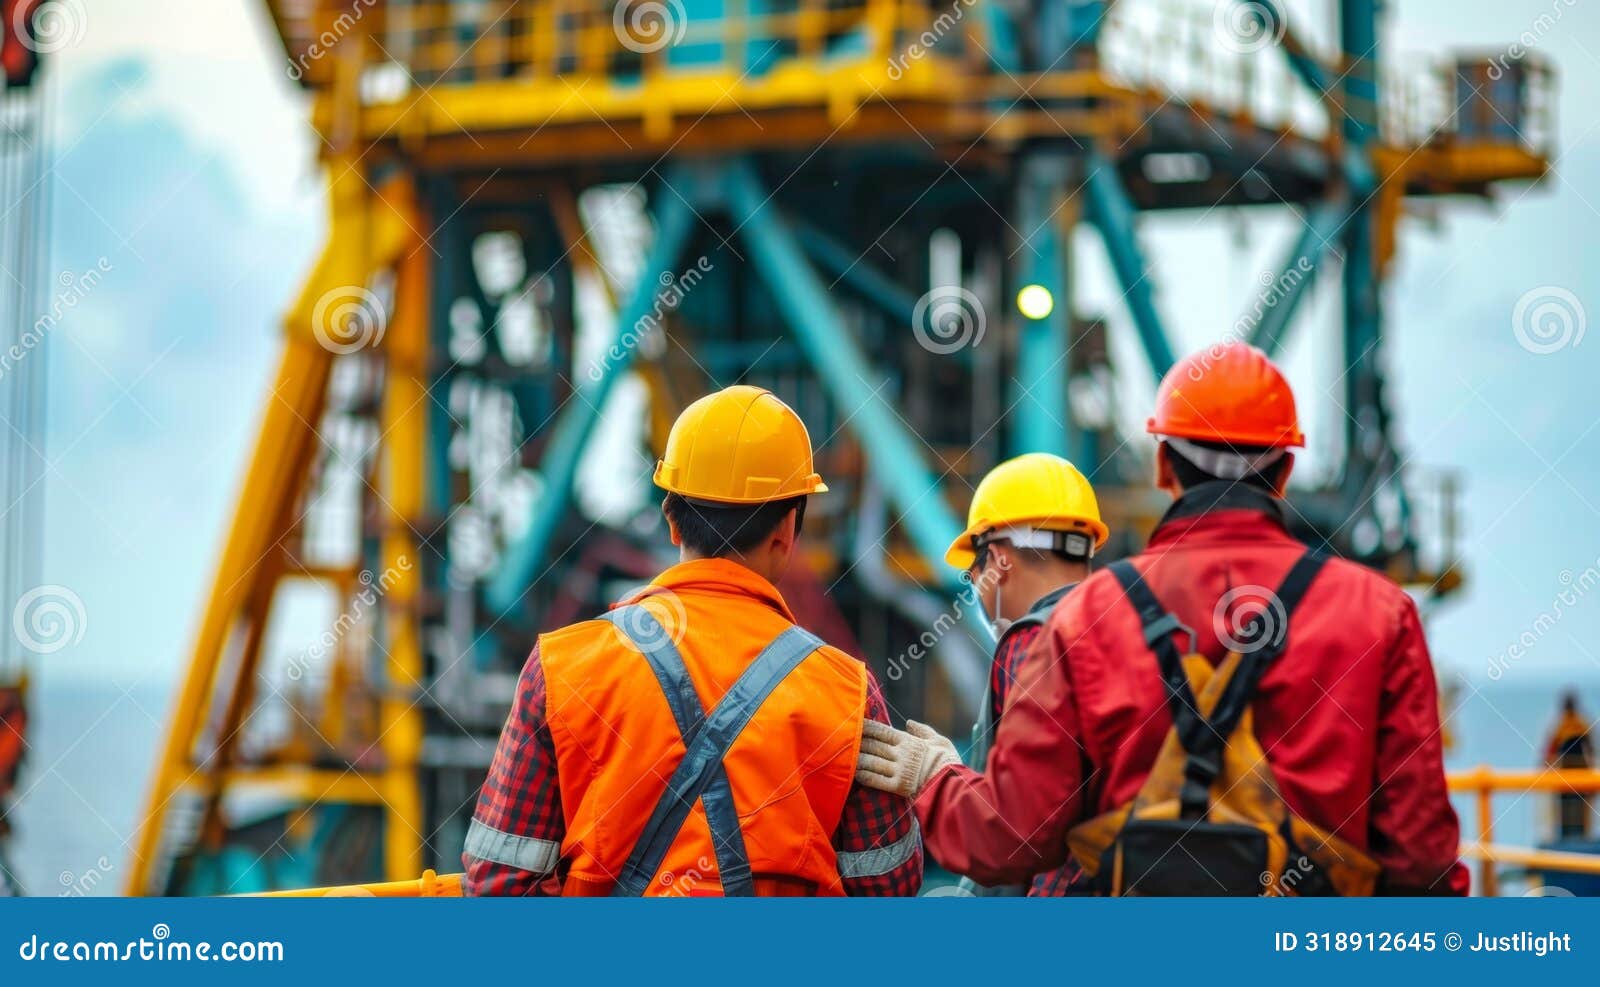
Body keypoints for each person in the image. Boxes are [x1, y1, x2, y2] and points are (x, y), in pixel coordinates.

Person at [854, 342, 1468, 895]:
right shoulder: (1380, 613)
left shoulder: (1083, 619)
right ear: (1283, 474)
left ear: (1163, 466)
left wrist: (934, 779)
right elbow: (1421, 859)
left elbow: (1009, 841)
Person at [464, 385, 922, 896]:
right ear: (787, 530)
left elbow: (499, 883)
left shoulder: (561, 667)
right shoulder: (847, 692)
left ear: (671, 520)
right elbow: (888, 890)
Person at [945, 453, 1106, 895]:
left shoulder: (1032, 643)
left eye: (972, 575)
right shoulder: (1133, 626)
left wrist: (938, 779)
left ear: (998, 561)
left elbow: (1016, 833)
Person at [1544, 692, 1593, 839]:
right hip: (1576, 773)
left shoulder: (1562, 726)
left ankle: (1570, 834)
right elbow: (1590, 750)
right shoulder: (1581, 724)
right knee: (1577, 804)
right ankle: (1578, 834)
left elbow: (1550, 751)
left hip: (1569, 773)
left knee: (1571, 804)